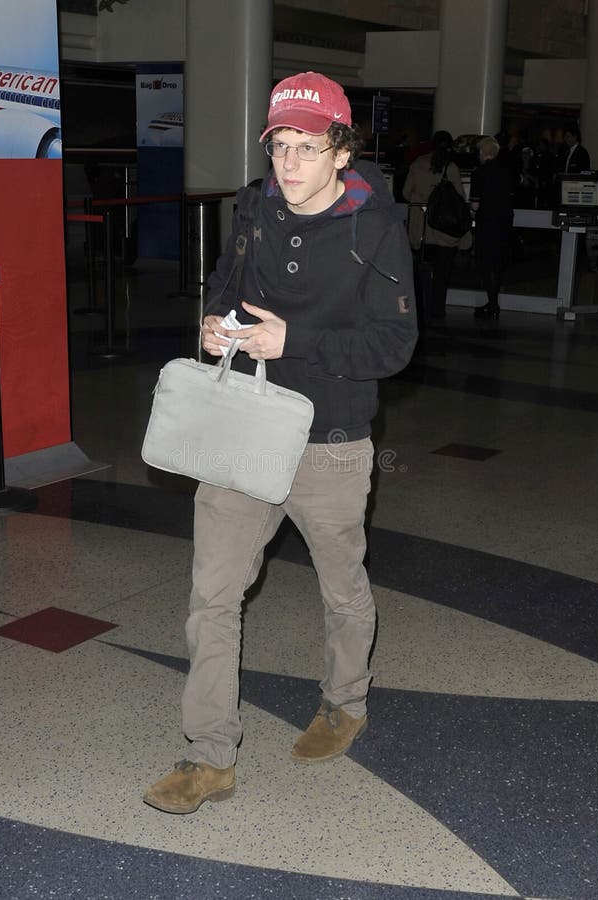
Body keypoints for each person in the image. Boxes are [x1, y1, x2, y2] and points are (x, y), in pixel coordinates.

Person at [143, 71, 418, 814]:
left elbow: (395, 344)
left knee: (341, 584)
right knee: (212, 594)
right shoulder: (254, 208)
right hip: (245, 427)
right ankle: (209, 755)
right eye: (280, 147)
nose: (289, 165)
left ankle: (346, 701)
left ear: (340, 152)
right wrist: (217, 323)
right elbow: (227, 282)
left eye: (306, 147)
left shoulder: (377, 227)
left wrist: (295, 339)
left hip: (329, 437)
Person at [403, 130, 471, 322]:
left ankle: (420, 308)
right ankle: (437, 310)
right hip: (445, 231)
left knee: (420, 270)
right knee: (442, 274)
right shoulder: (451, 167)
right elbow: (460, 198)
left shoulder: (418, 164)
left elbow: (406, 193)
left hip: (421, 229)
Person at [469, 136, 515, 320]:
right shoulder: (507, 172)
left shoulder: (479, 173)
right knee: (498, 263)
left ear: (482, 152)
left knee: (486, 264)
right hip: (503, 223)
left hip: (486, 224)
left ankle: (492, 303)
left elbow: (475, 206)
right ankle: (493, 302)